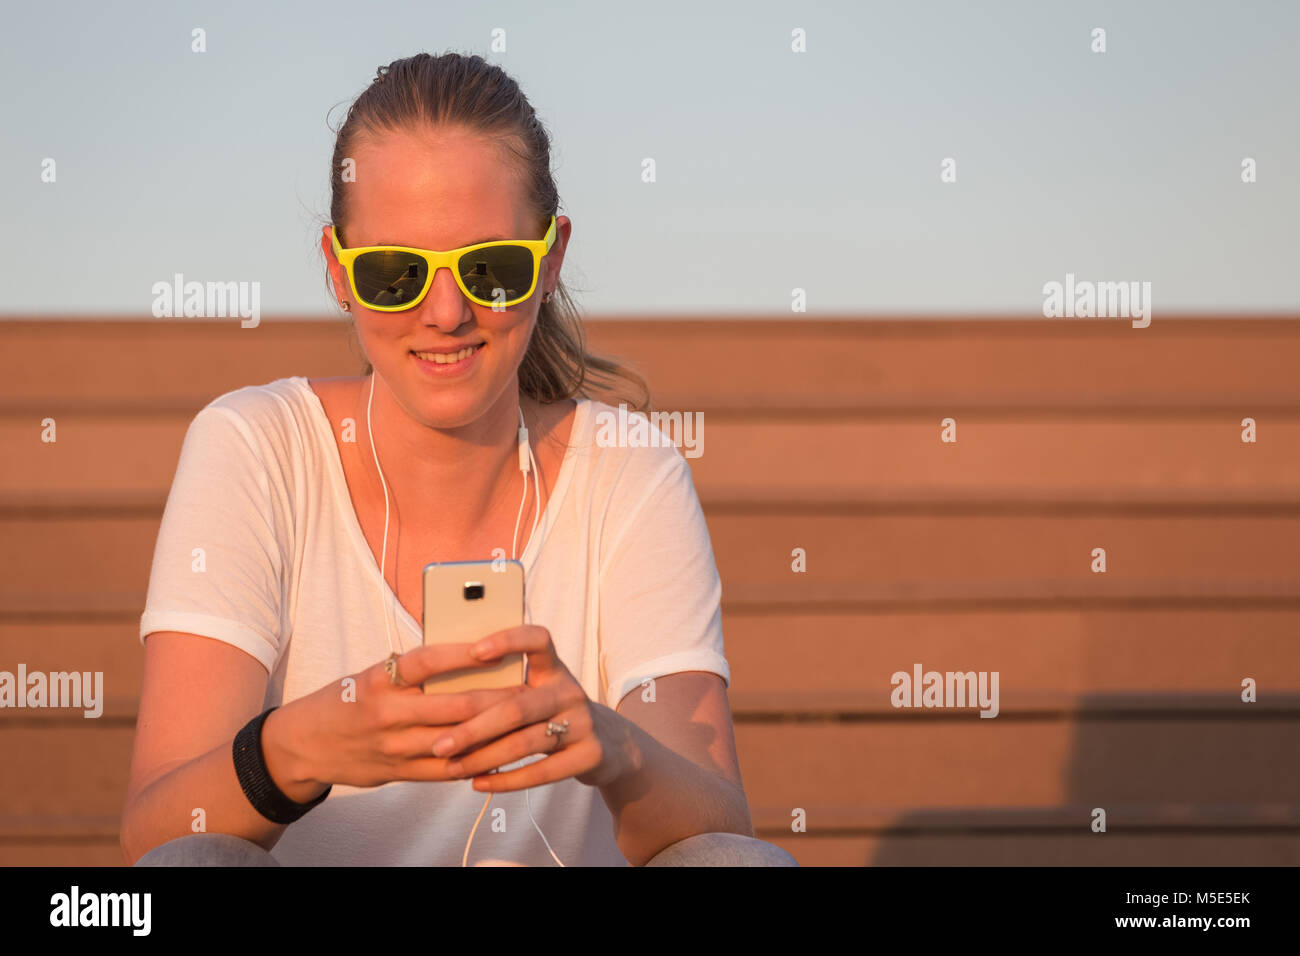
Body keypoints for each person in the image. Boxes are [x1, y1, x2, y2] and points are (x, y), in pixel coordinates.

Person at [120, 51, 796, 867]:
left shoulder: (628, 470)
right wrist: (293, 750)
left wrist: (614, 747)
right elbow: (156, 839)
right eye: (396, 273)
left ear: (548, 261)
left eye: (491, 269)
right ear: (340, 272)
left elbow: (720, 827)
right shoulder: (256, 447)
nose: (446, 312)